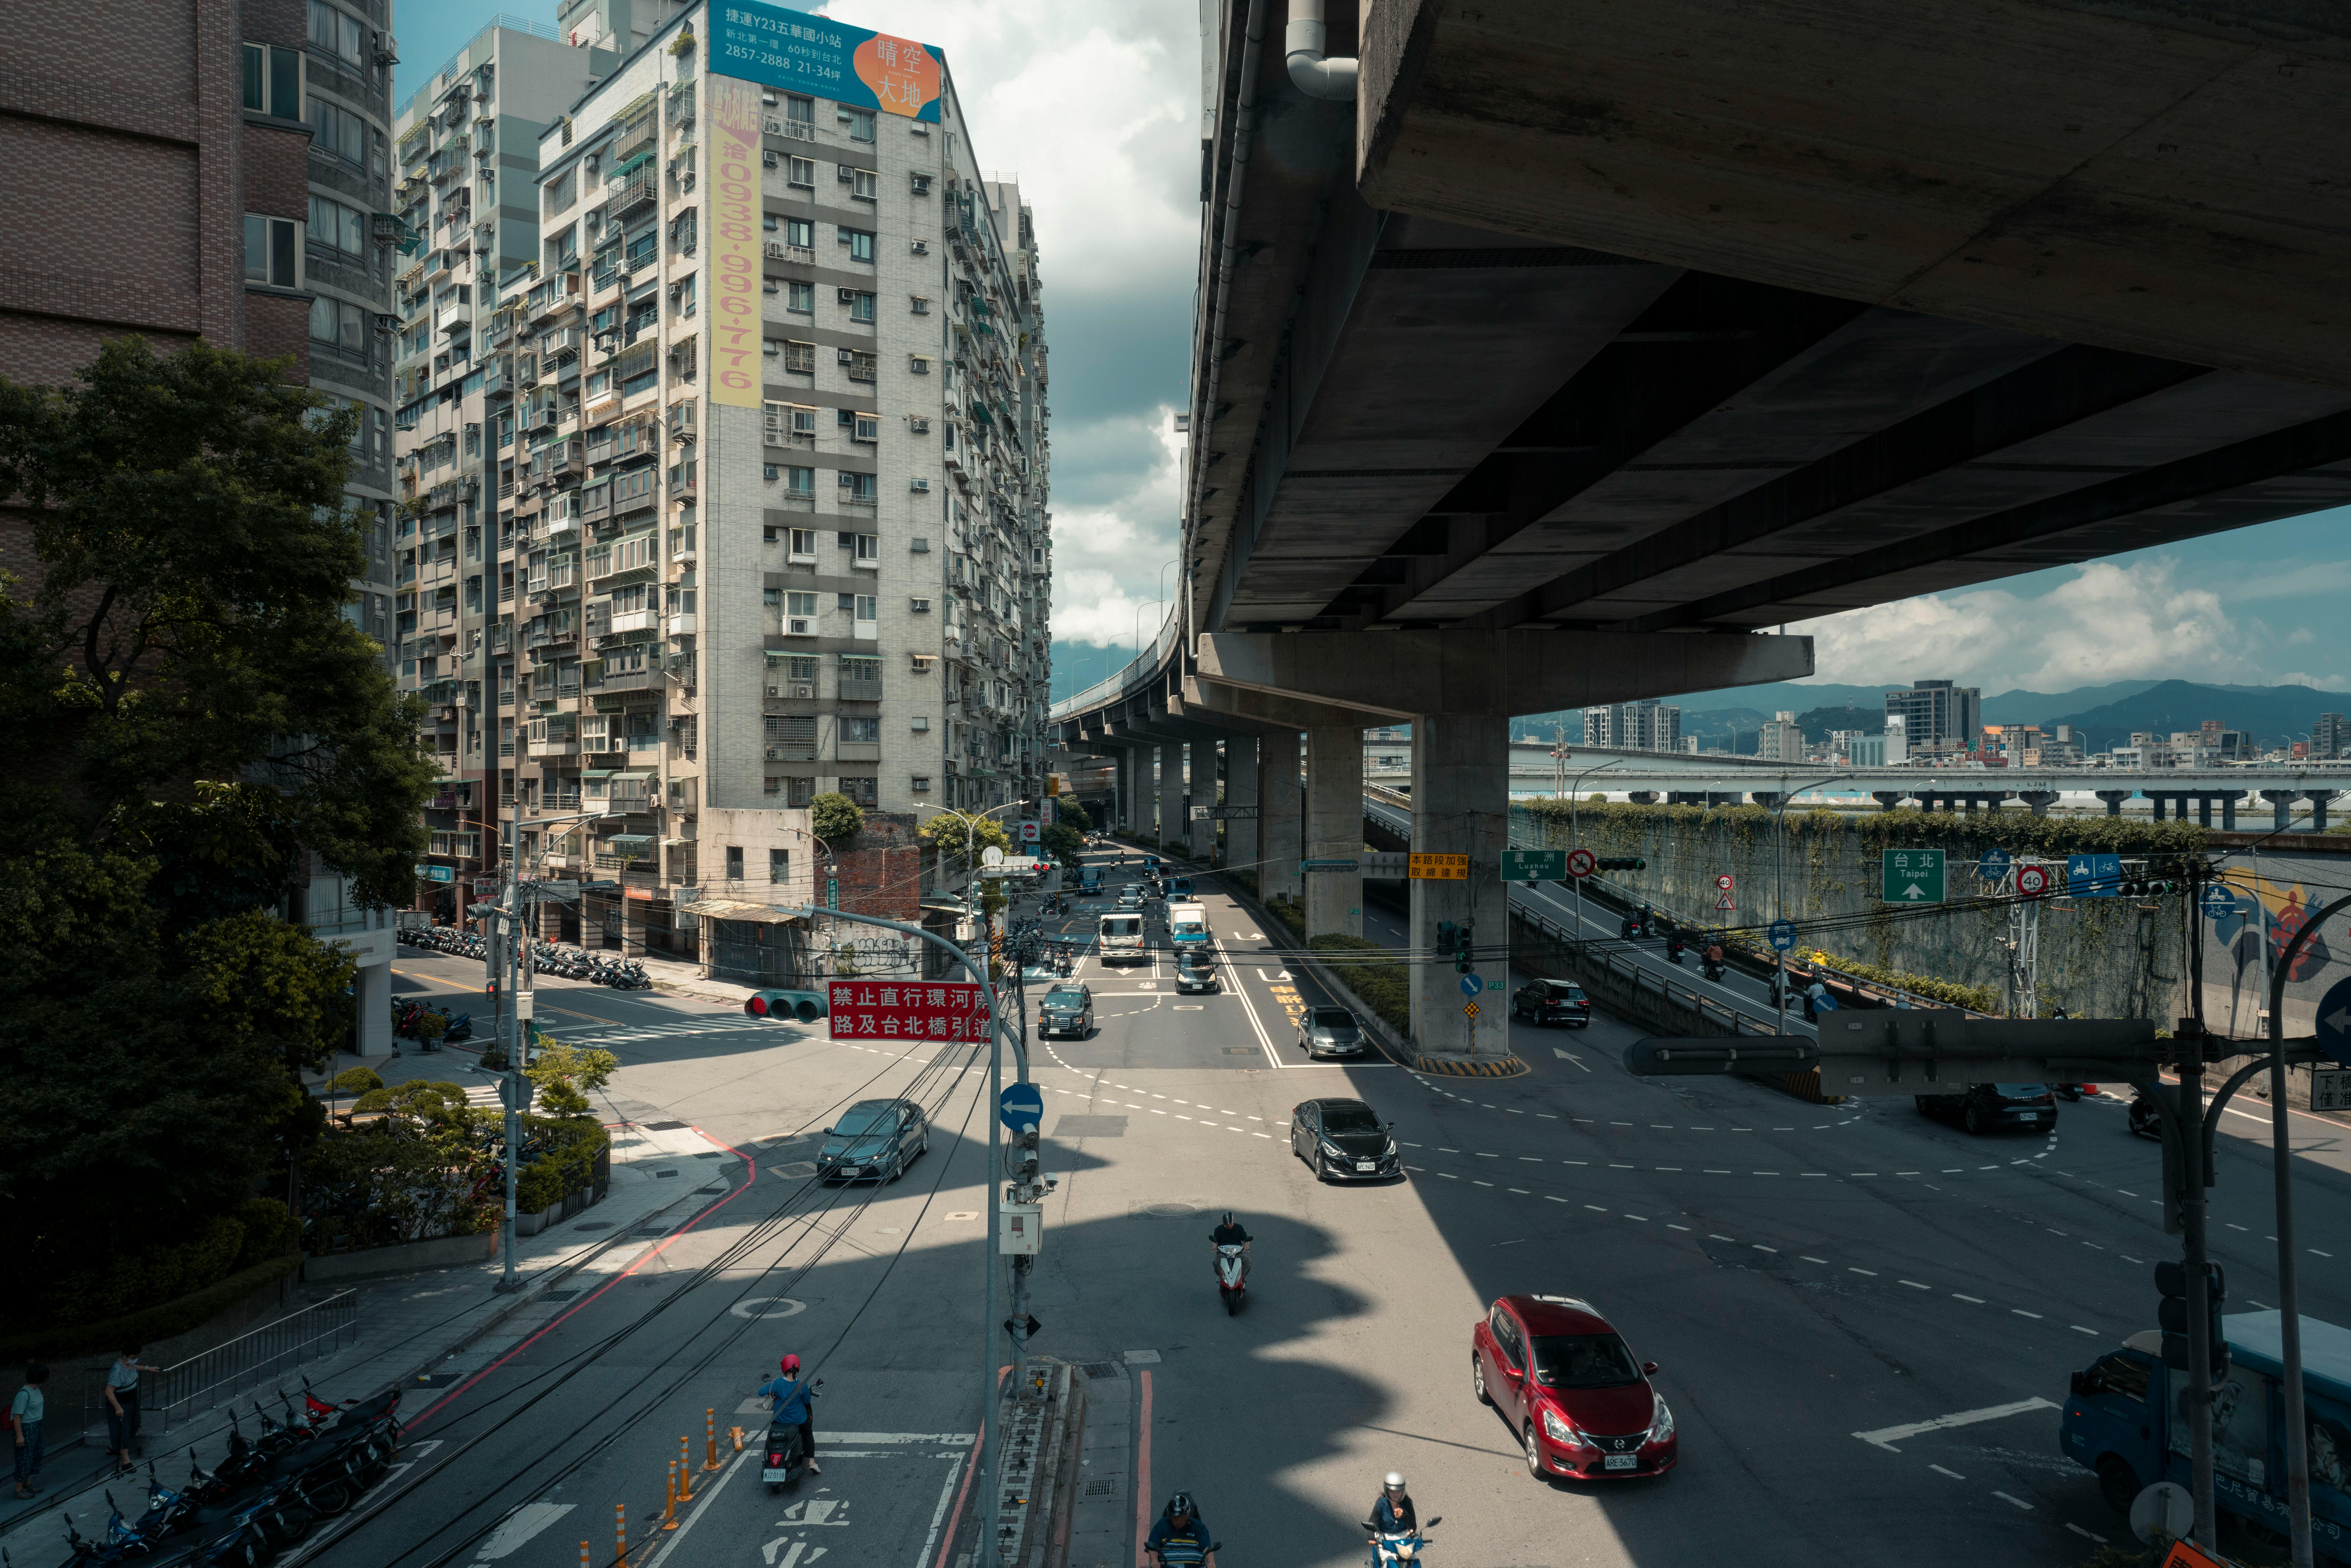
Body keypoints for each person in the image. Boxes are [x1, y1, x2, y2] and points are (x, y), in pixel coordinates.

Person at [757, 1354, 820, 1475]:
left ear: (784, 1368)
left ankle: (767, 1458)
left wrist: (774, 1394)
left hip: (779, 1420)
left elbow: (761, 1393)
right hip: (798, 1421)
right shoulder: (802, 1385)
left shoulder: (777, 1383)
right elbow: (807, 1401)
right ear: (798, 1369)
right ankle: (812, 1462)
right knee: (808, 1435)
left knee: (771, 1434)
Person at [103, 1347, 158, 1474]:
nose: (135, 1360)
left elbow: (133, 1368)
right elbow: (109, 1391)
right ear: (125, 1356)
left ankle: (114, 1447)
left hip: (132, 1400)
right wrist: (118, 1407)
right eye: (133, 1357)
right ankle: (126, 1461)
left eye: (136, 1357)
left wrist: (147, 1368)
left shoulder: (129, 1364)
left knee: (136, 1423)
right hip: (121, 1402)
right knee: (124, 1430)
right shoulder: (117, 1370)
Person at [1143, 1492, 1214, 1567]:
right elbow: (1153, 1546)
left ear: (1188, 1515)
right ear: (1170, 1516)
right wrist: (1155, 1561)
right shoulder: (1161, 1526)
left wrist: (1211, 1562)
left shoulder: (1199, 1528)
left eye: (1182, 1517)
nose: (1179, 1520)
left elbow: (1207, 1547)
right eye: (1176, 1518)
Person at [10, 1363, 46, 1499]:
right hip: (27, 1428)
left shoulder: (36, 1390)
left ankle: (28, 1483)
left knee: (35, 1455)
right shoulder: (24, 1394)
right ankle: (19, 1489)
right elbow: (17, 1416)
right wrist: (20, 1435)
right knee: (24, 1458)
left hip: (37, 1425)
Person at [1367, 1472, 1419, 1560]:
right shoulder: (1381, 1505)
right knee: (1389, 1560)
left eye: (1399, 1491)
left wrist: (1404, 1515)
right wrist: (1371, 1537)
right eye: (1392, 1491)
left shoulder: (1407, 1503)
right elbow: (1372, 1523)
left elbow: (1413, 1527)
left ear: (1403, 1491)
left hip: (1404, 1538)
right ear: (1387, 1490)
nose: (1396, 1494)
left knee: (1414, 1560)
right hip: (1385, 1539)